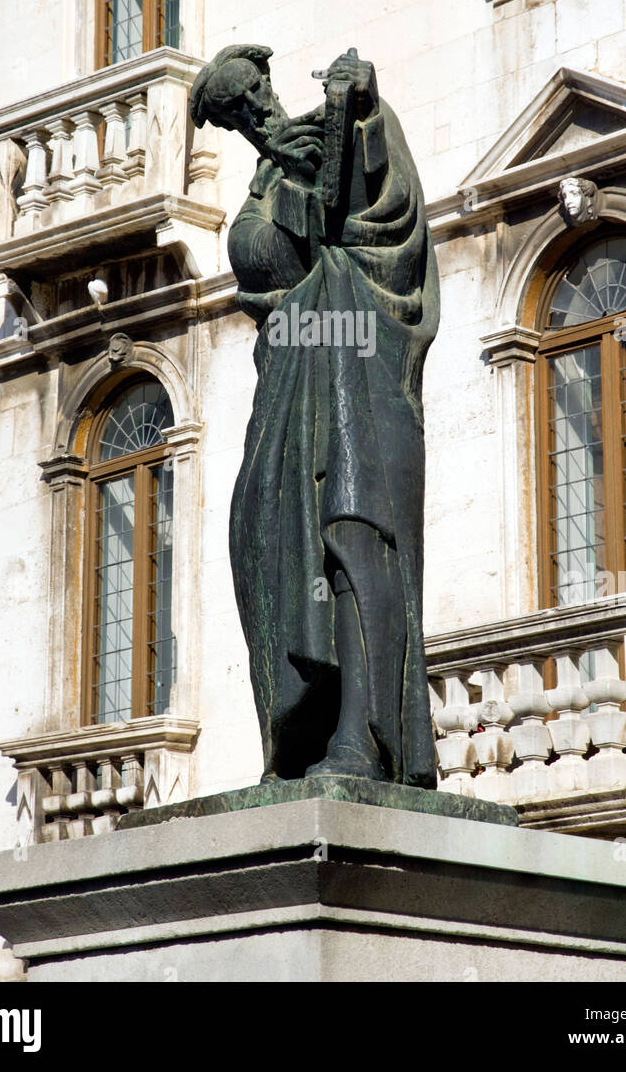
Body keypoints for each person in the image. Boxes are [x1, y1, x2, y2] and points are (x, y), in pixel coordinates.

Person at [190, 45, 439, 788]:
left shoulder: (336, 134)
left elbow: (384, 210)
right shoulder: (265, 182)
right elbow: (263, 268)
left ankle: (364, 736)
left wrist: (360, 109)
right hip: (289, 382)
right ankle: (302, 734)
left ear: (269, 84)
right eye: (235, 112)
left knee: (354, 532)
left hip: (357, 359)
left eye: (254, 94)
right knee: (266, 539)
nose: (254, 112)